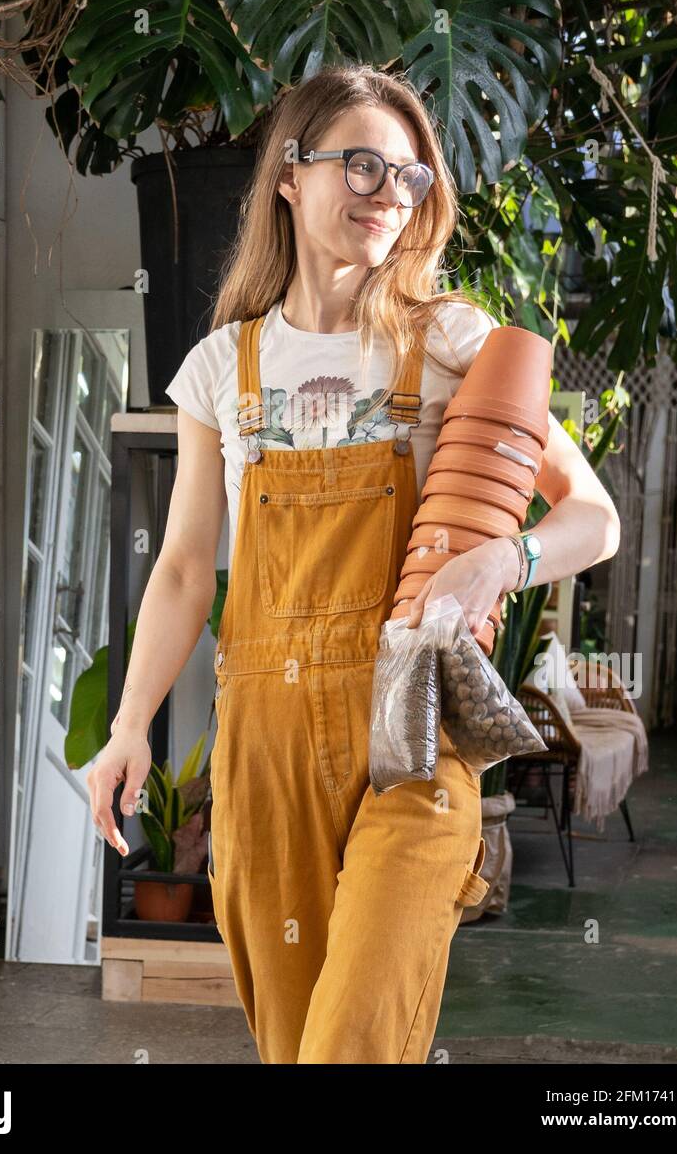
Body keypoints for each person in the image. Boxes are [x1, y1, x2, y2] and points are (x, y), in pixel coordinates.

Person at [87, 63, 621, 1064]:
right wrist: (127, 725)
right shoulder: (222, 366)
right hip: (265, 753)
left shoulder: (451, 339)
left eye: (410, 176)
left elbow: (594, 518)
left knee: (350, 1044)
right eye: (362, 165)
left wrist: (506, 557)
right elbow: (183, 569)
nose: (388, 194)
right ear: (290, 174)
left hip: (411, 741)